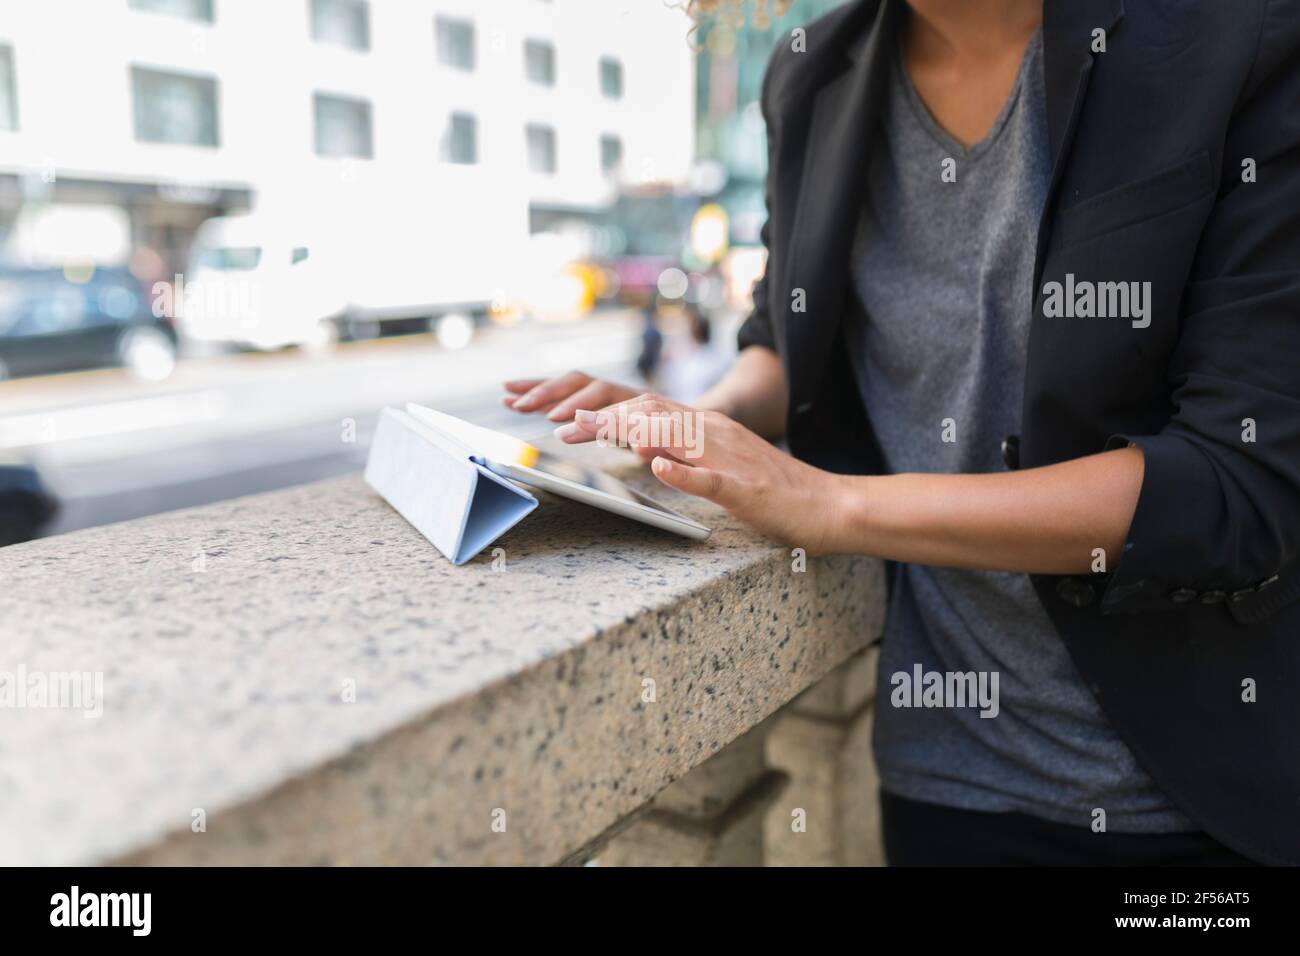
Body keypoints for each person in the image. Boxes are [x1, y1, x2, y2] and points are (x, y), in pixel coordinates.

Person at [501, 0, 1300, 865]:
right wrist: (705, 424)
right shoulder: (811, 73)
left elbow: (1237, 483)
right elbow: (787, 335)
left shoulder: (1240, 35)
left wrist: (830, 504)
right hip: (940, 776)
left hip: (1197, 809)